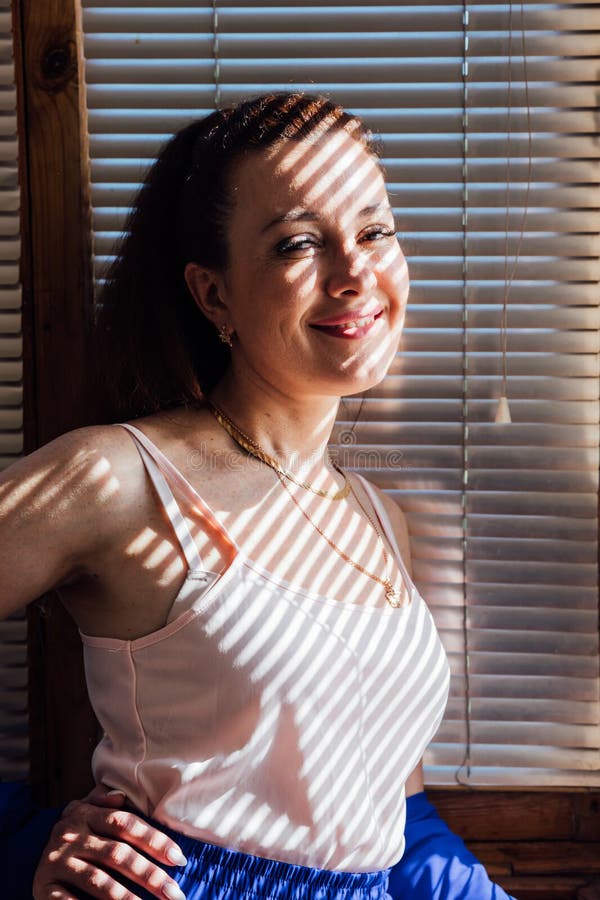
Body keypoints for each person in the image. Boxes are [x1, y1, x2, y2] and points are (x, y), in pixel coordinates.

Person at [0, 92, 515, 900]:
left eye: (375, 230)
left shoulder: (380, 524)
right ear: (214, 297)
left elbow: (395, 817)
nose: (356, 273)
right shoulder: (117, 480)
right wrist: (22, 845)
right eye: (300, 243)